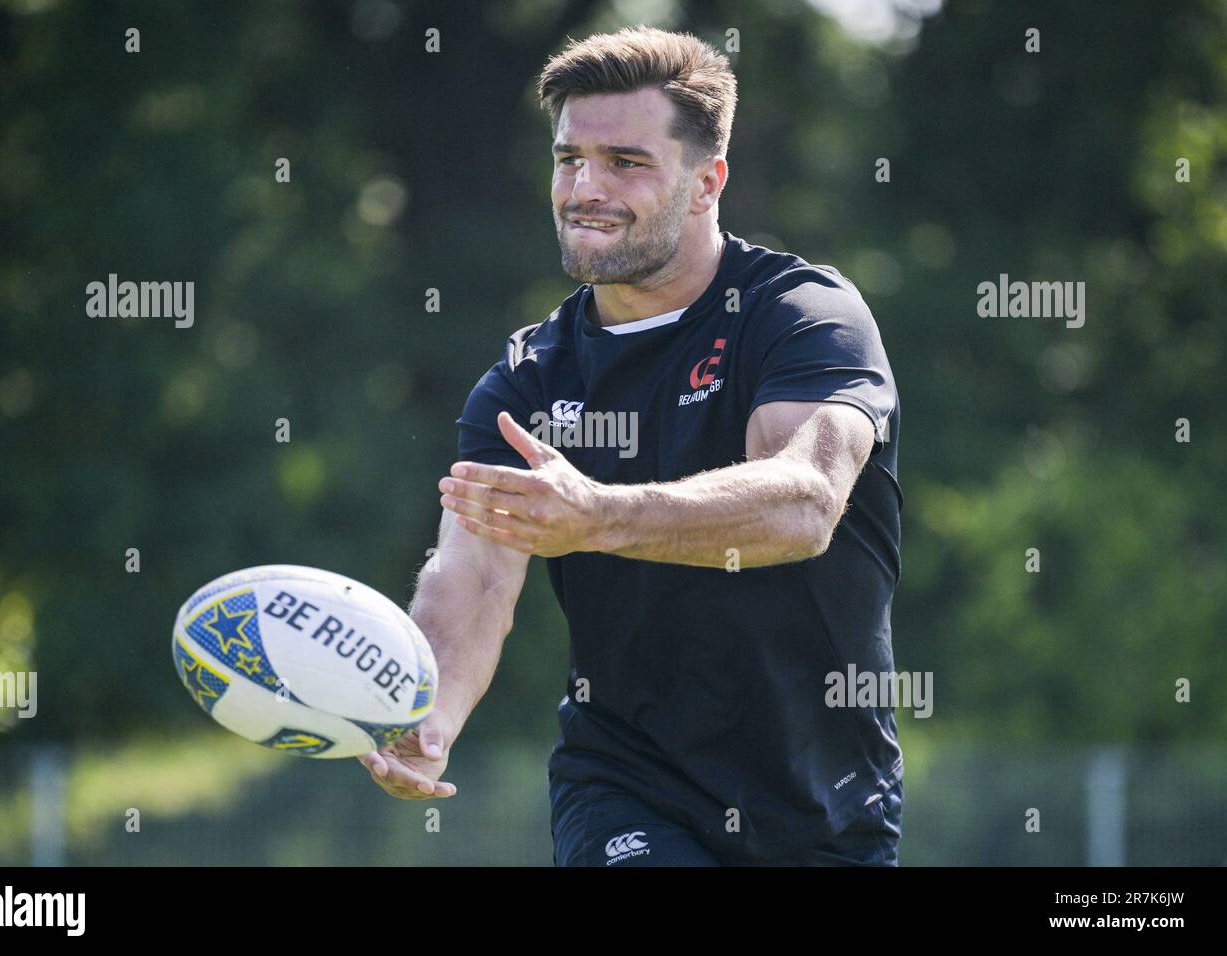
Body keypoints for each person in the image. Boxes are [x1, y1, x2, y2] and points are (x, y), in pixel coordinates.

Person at [361, 25, 904, 867]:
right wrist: (426, 710)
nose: (585, 188)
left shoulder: (801, 316)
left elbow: (801, 505)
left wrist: (599, 516)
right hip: (626, 784)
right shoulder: (528, 378)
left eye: (626, 162)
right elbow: (470, 577)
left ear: (706, 181)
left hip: (828, 805)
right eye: (569, 158)